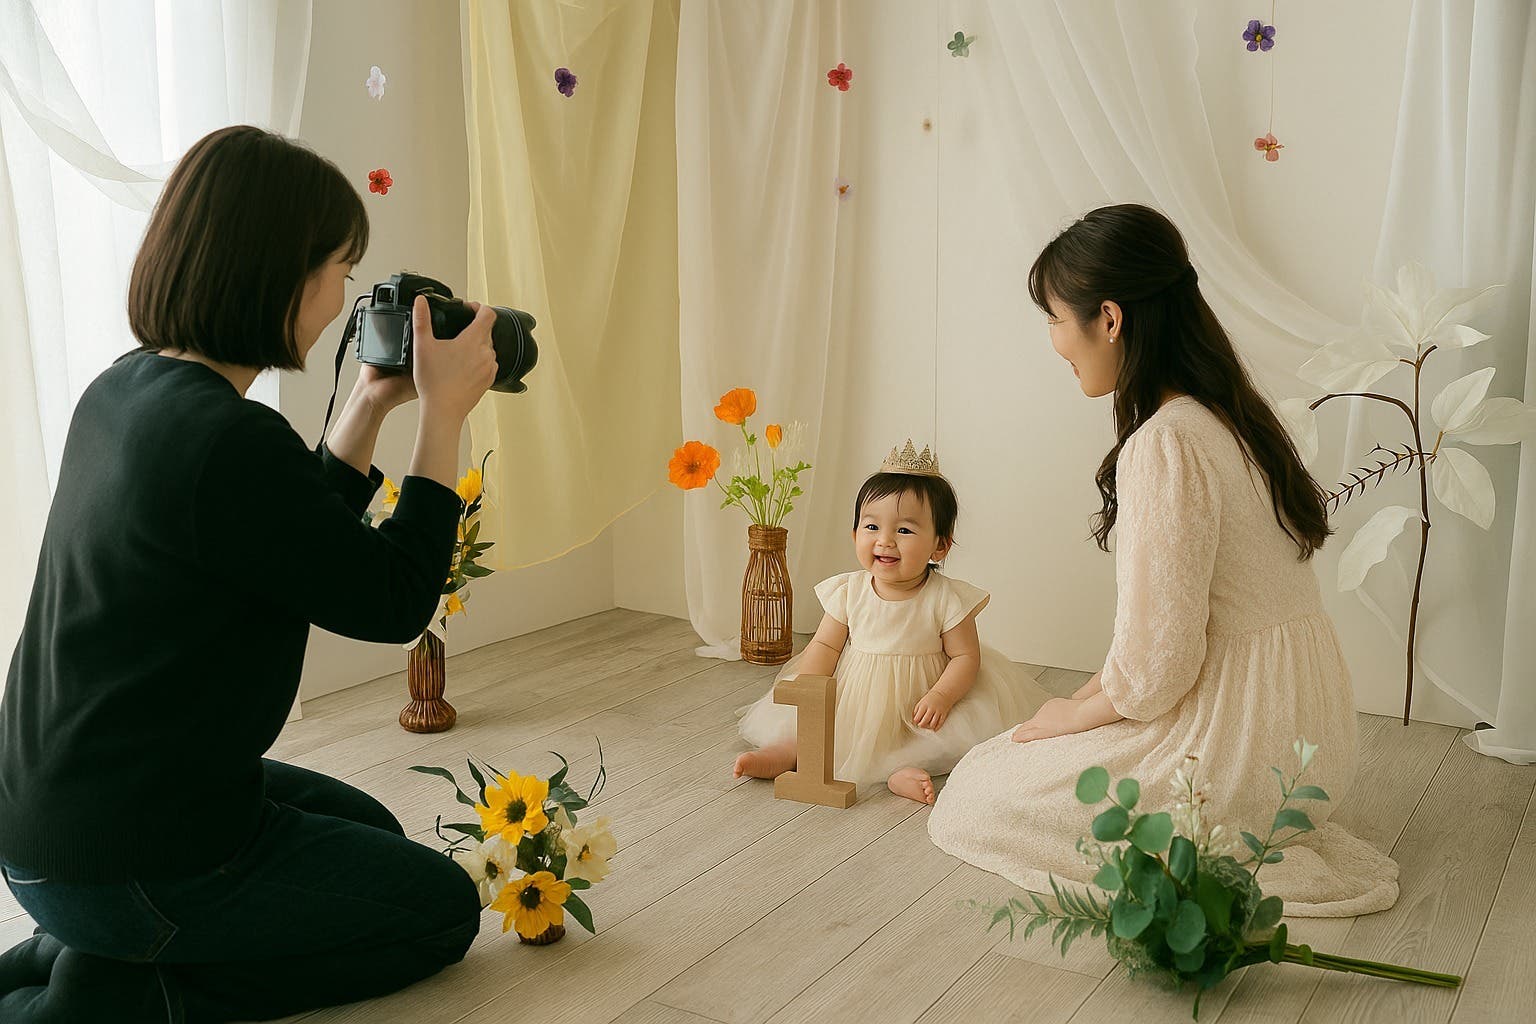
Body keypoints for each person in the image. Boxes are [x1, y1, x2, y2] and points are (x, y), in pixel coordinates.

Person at [0, 125, 499, 1022]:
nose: (343, 296)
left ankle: (77, 942)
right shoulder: (228, 439)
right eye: (340, 272)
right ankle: (120, 989)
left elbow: (287, 536)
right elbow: (393, 601)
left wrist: (369, 401)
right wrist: (443, 417)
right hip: (135, 856)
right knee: (438, 911)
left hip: (61, 826)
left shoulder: (127, 390)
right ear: (281, 274)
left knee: (371, 835)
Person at [927, 203, 1400, 916]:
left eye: (1056, 318)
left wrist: (1072, 718)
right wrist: (1082, 702)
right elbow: (1164, 651)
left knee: (977, 792)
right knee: (1019, 746)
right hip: (1310, 740)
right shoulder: (1230, 416)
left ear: (1109, 319)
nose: (1054, 340)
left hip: (1244, 748)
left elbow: (1160, 666)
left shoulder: (1166, 444)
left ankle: (1223, 835)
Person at [734, 445, 1049, 804]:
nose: (884, 540)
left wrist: (941, 696)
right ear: (855, 535)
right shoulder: (849, 590)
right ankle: (784, 752)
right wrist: (811, 686)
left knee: (921, 738)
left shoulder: (945, 597)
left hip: (919, 697)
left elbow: (965, 658)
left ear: (940, 546)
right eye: (871, 526)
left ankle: (902, 773)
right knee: (814, 727)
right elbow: (825, 645)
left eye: (904, 530)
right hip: (853, 693)